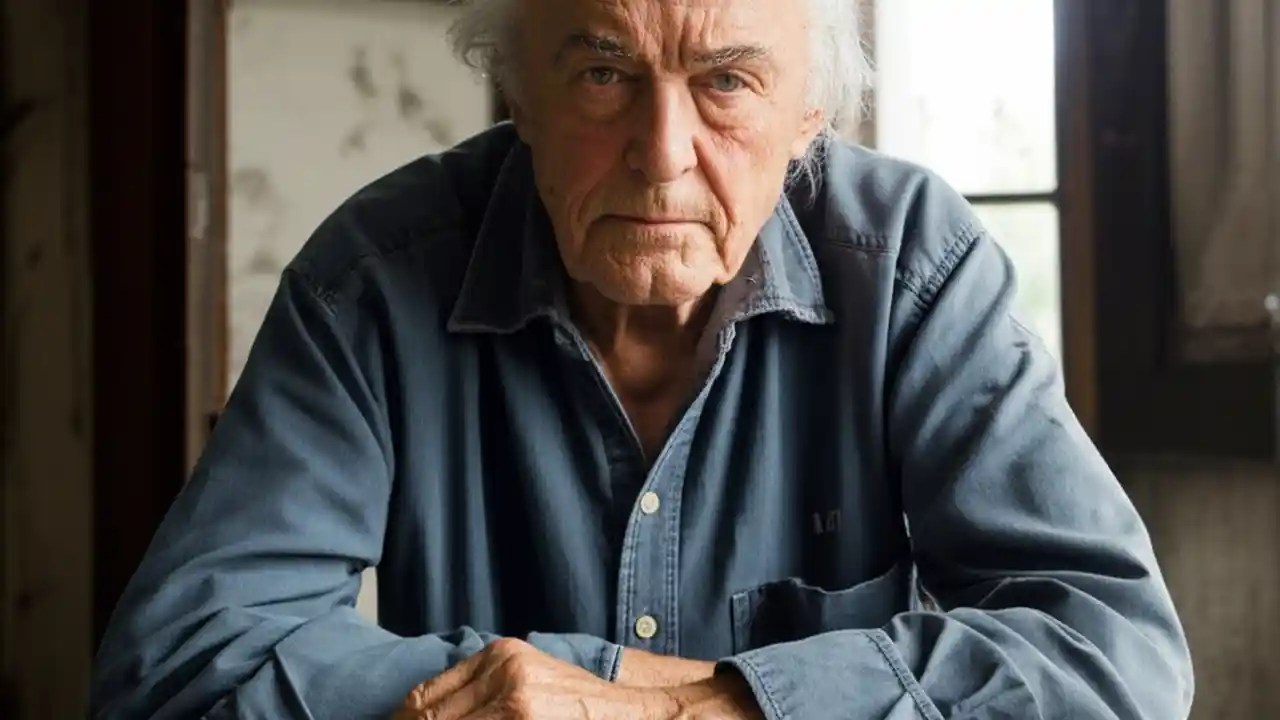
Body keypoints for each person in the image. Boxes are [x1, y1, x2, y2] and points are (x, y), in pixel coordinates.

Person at [91, 0, 1194, 717]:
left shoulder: (912, 265)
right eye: (605, 75)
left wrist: (686, 705)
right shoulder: (375, 280)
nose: (662, 157)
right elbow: (175, 670)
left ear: (808, 114)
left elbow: (1114, 658)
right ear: (519, 94)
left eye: (725, 83)